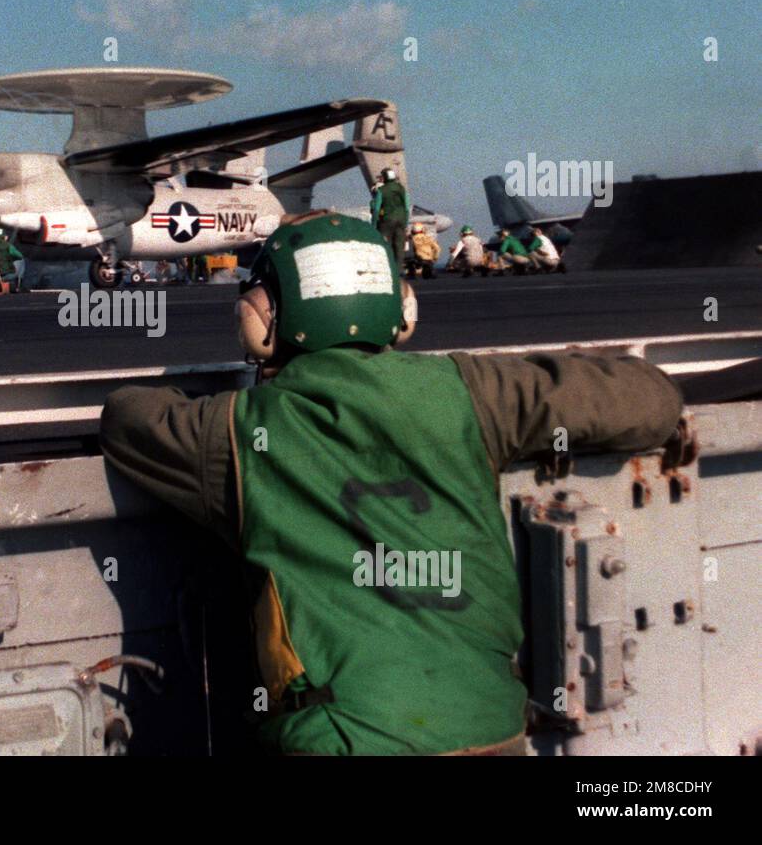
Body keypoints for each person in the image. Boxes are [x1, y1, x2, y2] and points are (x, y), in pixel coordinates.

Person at [100, 211, 683, 756]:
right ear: (402, 312)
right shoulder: (473, 390)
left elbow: (127, 417)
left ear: (263, 321)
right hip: (492, 731)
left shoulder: (235, 431)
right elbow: (650, 402)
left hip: (346, 739)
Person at [370, 167, 410, 265]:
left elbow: (376, 209)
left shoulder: (381, 190)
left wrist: (374, 224)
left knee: (385, 244)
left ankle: (388, 267)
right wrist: (406, 222)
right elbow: (407, 207)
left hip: (387, 221)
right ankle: (400, 271)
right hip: (401, 220)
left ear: (385, 177)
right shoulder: (401, 188)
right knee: (399, 246)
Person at [0, 227, 25, 293]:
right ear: (5, 237)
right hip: (5, 275)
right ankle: (19, 285)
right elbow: (20, 256)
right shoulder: (8, 246)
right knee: (22, 260)